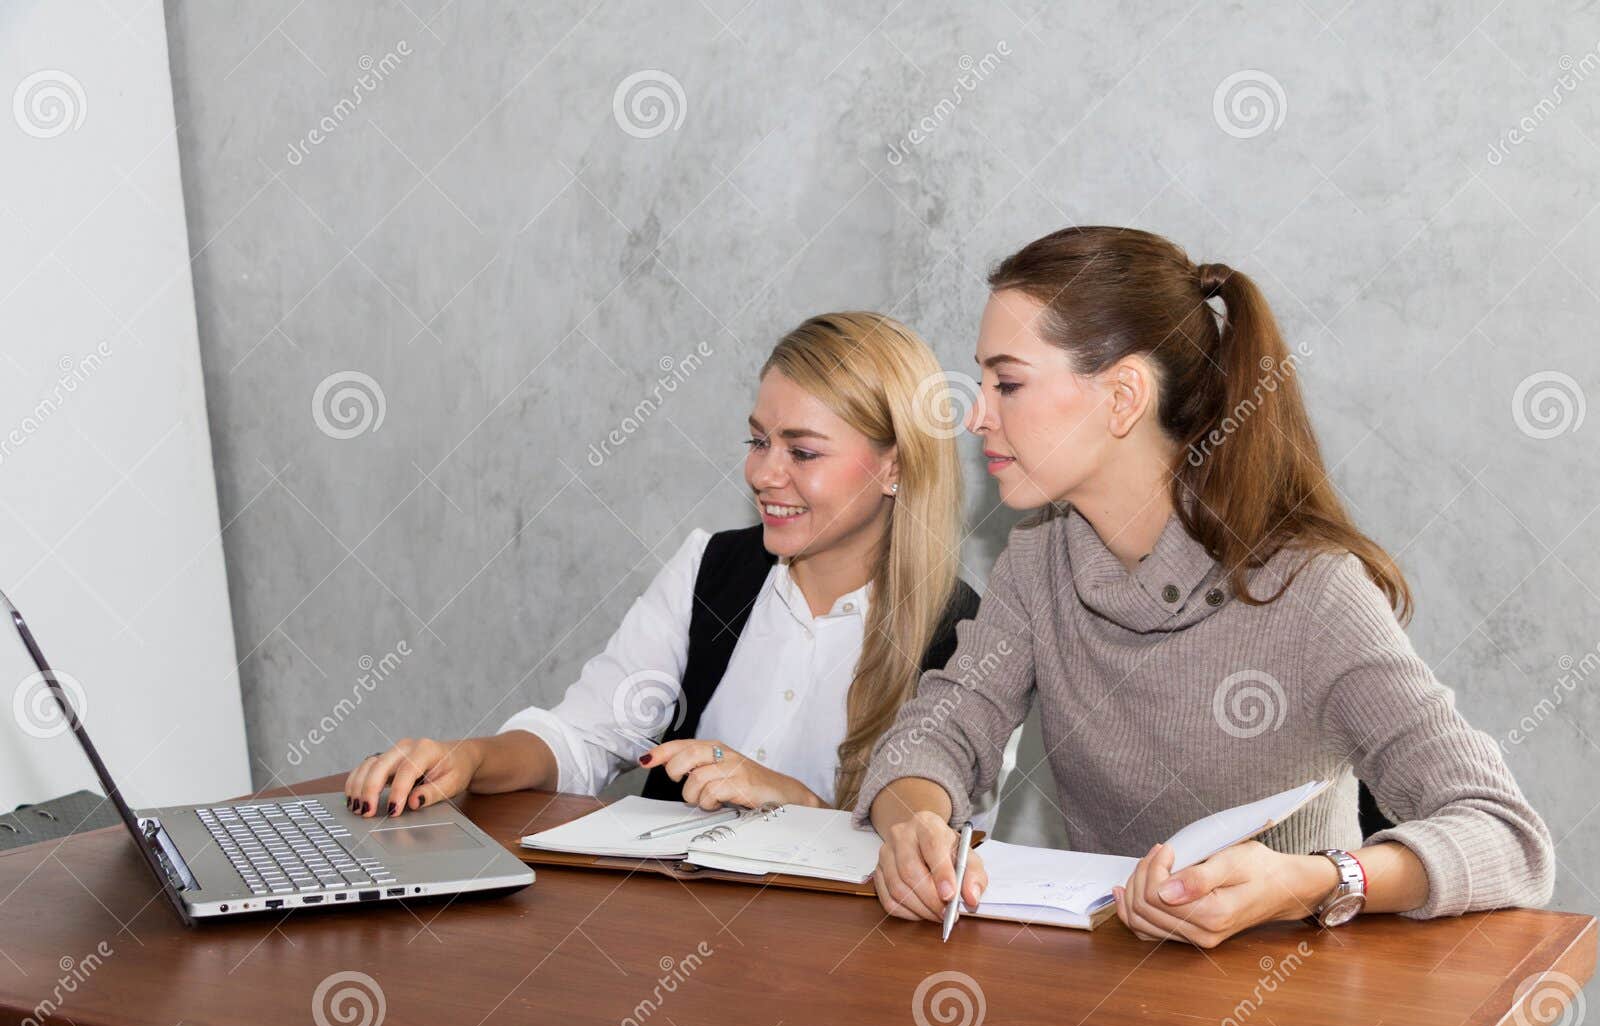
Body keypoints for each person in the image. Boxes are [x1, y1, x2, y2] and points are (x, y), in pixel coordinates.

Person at [858, 226, 1554, 945]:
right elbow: (941, 729)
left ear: (1124, 394)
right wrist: (915, 822)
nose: (976, 414)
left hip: (1293, 1010)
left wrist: (1312, 881)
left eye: (1008, 382)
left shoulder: (1314, 591)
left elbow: (1506, 835)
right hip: (1105, 1000)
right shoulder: (1037, 561)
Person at [344, 312, 979, 818]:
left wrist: (801, 803)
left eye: (803, 452)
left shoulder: (966, 631)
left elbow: (940, 849)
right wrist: (473, 758)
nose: (763, 474)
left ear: (896, 466)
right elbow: (588, 739)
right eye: (758, 441)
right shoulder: (711, 568)